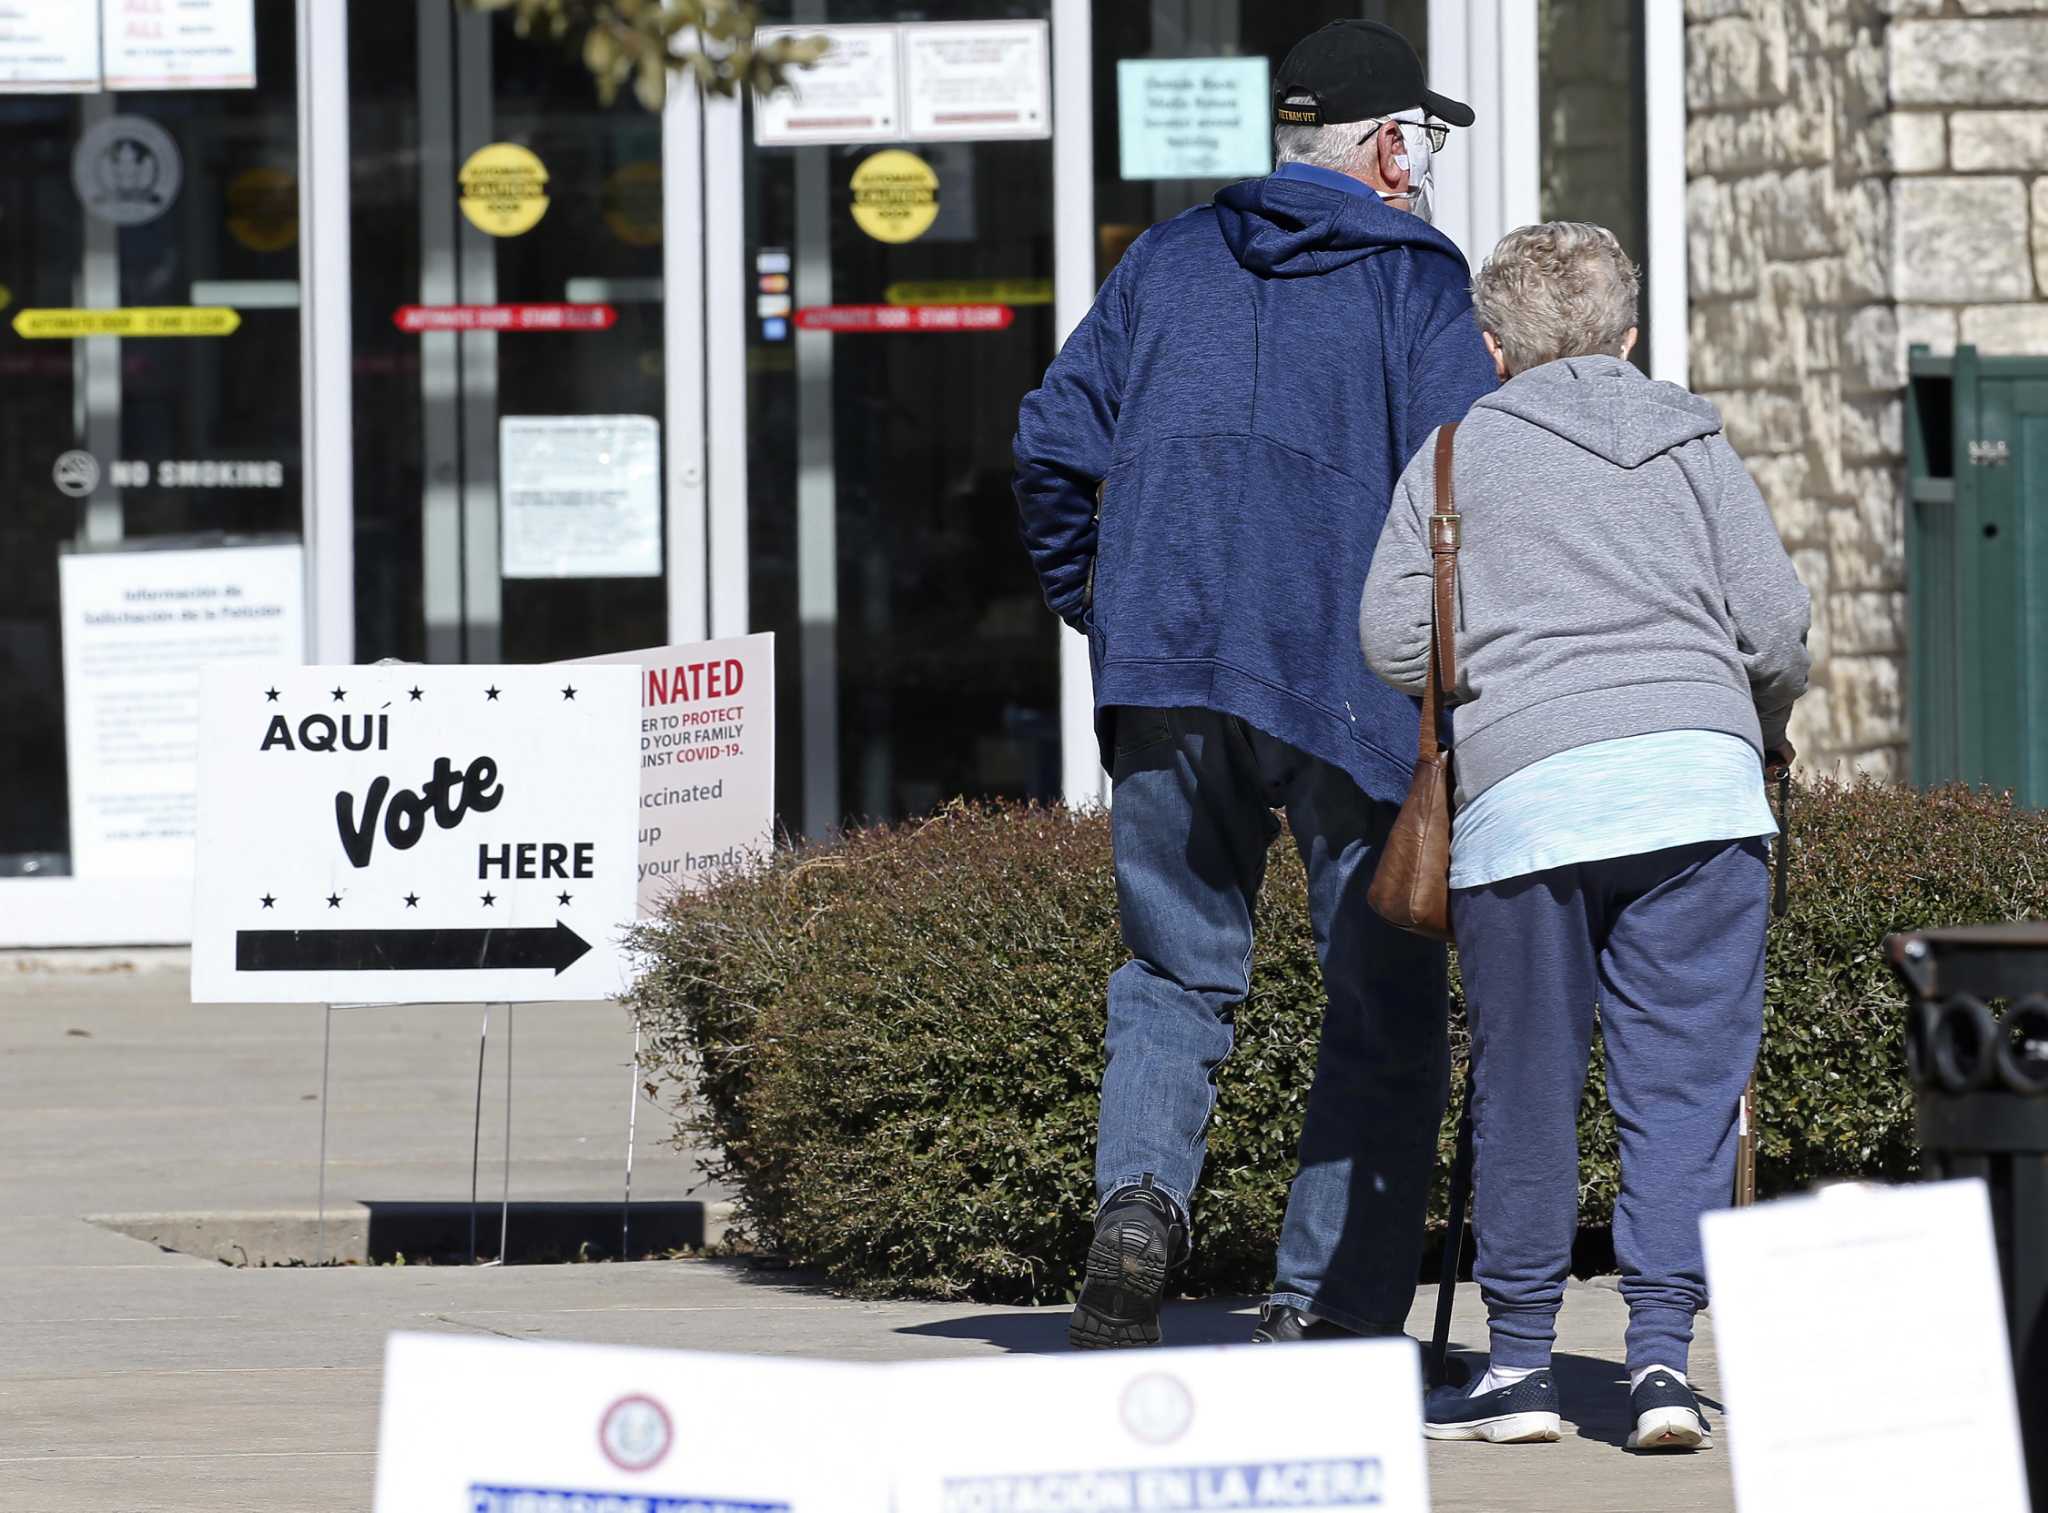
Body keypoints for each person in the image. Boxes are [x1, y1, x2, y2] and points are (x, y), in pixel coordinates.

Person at [1013, 19, 1497, 1351]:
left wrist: (1105, 605)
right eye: (1423, 139)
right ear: (1388, 148)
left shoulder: (1167, 259)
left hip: (1167, 663)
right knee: (1383, 999)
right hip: (1348, 683)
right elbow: (1463, 490)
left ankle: (1139, 1205)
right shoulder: (1418, 283)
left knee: (1173, 970)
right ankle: (1321, 1310)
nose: (1424, 164)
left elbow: (1052, 444)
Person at [1360, 221, 1810, 1447]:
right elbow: (1775, 629)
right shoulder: (1695, 443)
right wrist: (1750, 723)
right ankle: (1659, 1365)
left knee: (1523, 1081)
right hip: (1698, 790)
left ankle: (1516, 1370)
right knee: (1684, 1090)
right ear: (1627, 337)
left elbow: (1391, 639)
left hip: (1527, 802)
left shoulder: (1454, 454)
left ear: (1493, 348)